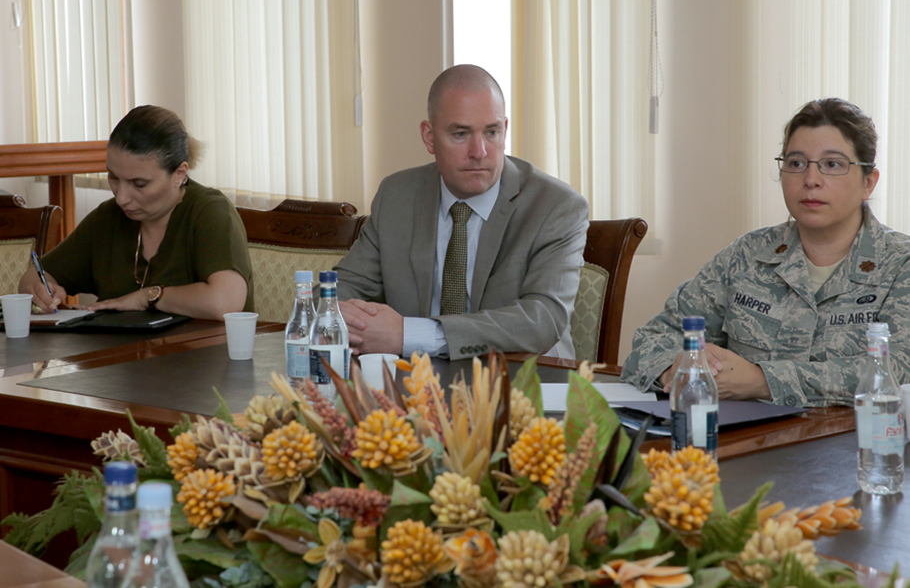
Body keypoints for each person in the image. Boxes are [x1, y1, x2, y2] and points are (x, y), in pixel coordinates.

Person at [621, 98, 910, 407]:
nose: (811, 180)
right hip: (746, 443)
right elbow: (654, 338)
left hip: (860, 446)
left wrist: (762, 381)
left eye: (832, 165)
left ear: (868, 182)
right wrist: (674, 369)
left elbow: (899, 371)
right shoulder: (748, 255)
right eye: (797, 163)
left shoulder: (900, 264)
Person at [335, 64, 589, 359]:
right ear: (429, 137)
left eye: (492, 132)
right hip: (413, 388)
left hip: (522, 388)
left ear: (505, 129)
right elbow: (337, 293)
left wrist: (409, 335)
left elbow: (542, 321)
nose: (479, 151)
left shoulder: (554, 207)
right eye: (460, 134)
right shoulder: (397, 196)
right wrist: (345, 316)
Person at [18, 105, 253, 319]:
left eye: (139, 184)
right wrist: (39, 290)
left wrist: (147, 297)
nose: (121, 197)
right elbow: (35, 276)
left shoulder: (210, 212)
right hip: (121, 361)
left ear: (180, 174)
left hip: (202, 361)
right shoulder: (108, 217)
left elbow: (225, 302)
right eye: (113, 177)